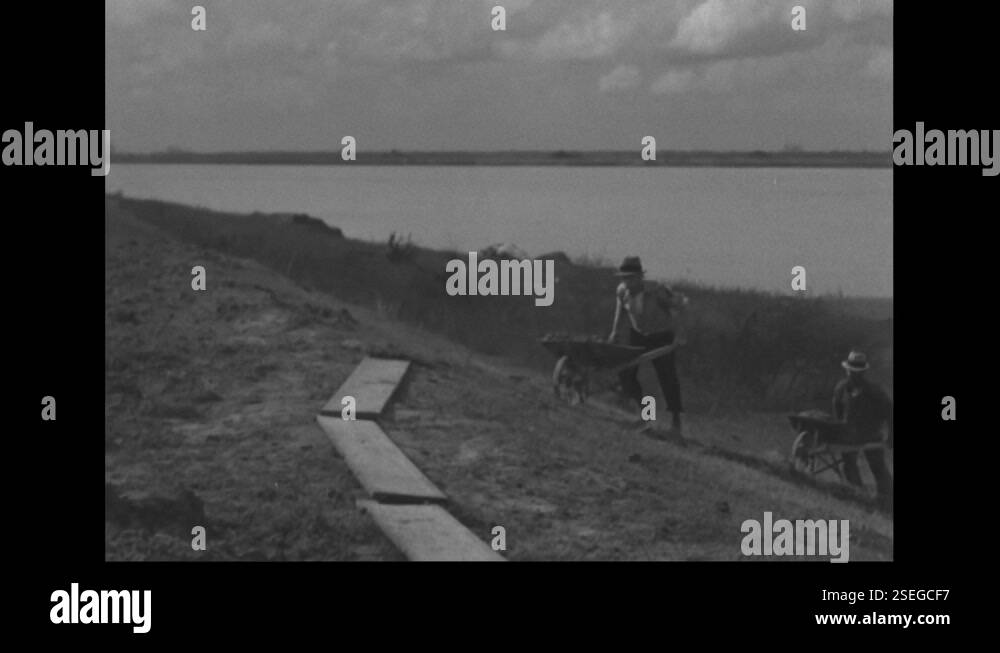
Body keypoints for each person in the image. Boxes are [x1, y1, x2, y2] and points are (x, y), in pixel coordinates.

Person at [607, 256, 688, 434]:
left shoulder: (656, 291)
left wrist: (680, 333)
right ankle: (646, 414)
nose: (627, 282)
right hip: (638, 335)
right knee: (626, 373)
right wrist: (615, 332)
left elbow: (676, 309)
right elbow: (620, 312)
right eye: (624, 278)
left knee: (667, 377)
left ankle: (676, 421)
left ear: (640, 277)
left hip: (661, 335)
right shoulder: (622, 291)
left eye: (630, 278)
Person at [832, 350, 893, 501]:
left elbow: (890, 413)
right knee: (870, 465)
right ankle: (870, 495)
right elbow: (890, 414)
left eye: (853, 372)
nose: (852, 374)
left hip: (859, 435)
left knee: (863, 463)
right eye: (853, 372)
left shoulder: (869, 391)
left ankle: (873, 496)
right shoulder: (845, 389)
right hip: (862, 435)